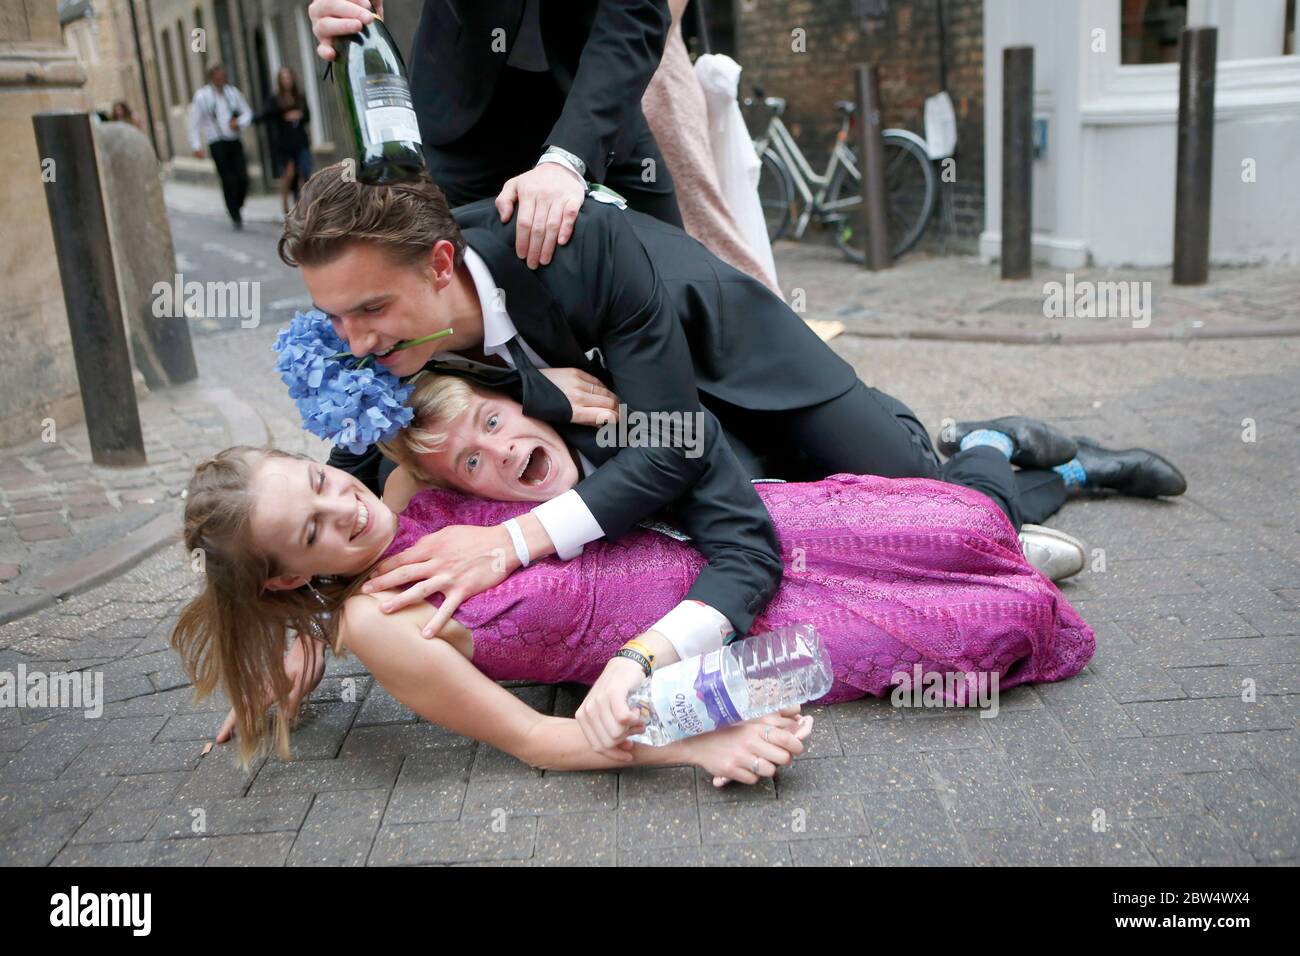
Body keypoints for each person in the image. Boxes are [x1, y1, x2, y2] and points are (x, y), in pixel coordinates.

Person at [277, 163, 1184, 752]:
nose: (353, 342)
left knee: (930, 497)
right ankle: (1007, 470)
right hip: (660, 431)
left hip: (727, 357)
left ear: (442, 265)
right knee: (811, 533)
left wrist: (509, 545)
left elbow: (669, 451)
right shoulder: (395, 347)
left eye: (367, 312)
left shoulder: (568, 242)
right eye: (337, 320)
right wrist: (280, 626)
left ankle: (994, 447)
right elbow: (326, 493)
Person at [174, 444, 1094, 783]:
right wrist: (697, 747)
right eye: (314, 530)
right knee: (1000, 629)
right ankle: (1026, 489)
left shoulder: (399, 469)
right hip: (709, 652)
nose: (346, 507)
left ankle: (997, 456)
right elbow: (538, 741)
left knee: (959, 518)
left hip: (722, 546)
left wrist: (290, 653)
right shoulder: (382, 626)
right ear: (290, 577)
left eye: (321, 482)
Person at [307, 0, 683, 269]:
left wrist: (569, 158)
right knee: (453, 295)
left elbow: (635, 15)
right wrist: (341, 8)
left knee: (675, 274)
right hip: (462, 102)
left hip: (592, 99)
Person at [188, 64, 253, 229]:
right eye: (218, 77)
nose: (221, 80)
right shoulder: (202, 97)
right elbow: (194, 123)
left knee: (242, 177)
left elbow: (247, 113)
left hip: (234, 140)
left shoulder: (233, 93)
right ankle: (234, 214)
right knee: (228, 179)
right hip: (216, 142)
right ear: (211, 78)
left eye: (223, 77)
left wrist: (238, 122)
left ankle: (237, 204)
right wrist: (196, 145)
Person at [256, 67, 312, 216]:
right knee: (289, 174)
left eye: (289, 77)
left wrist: (299, 115)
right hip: (285, 143)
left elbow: (308, 116)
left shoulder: (299, 96)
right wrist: (284, 115)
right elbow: (266, 114)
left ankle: (304, 205)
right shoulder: (275, 99)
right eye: (284, 78)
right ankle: (286, 203)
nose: (287, 81)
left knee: (305, 172)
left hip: (301, 140)